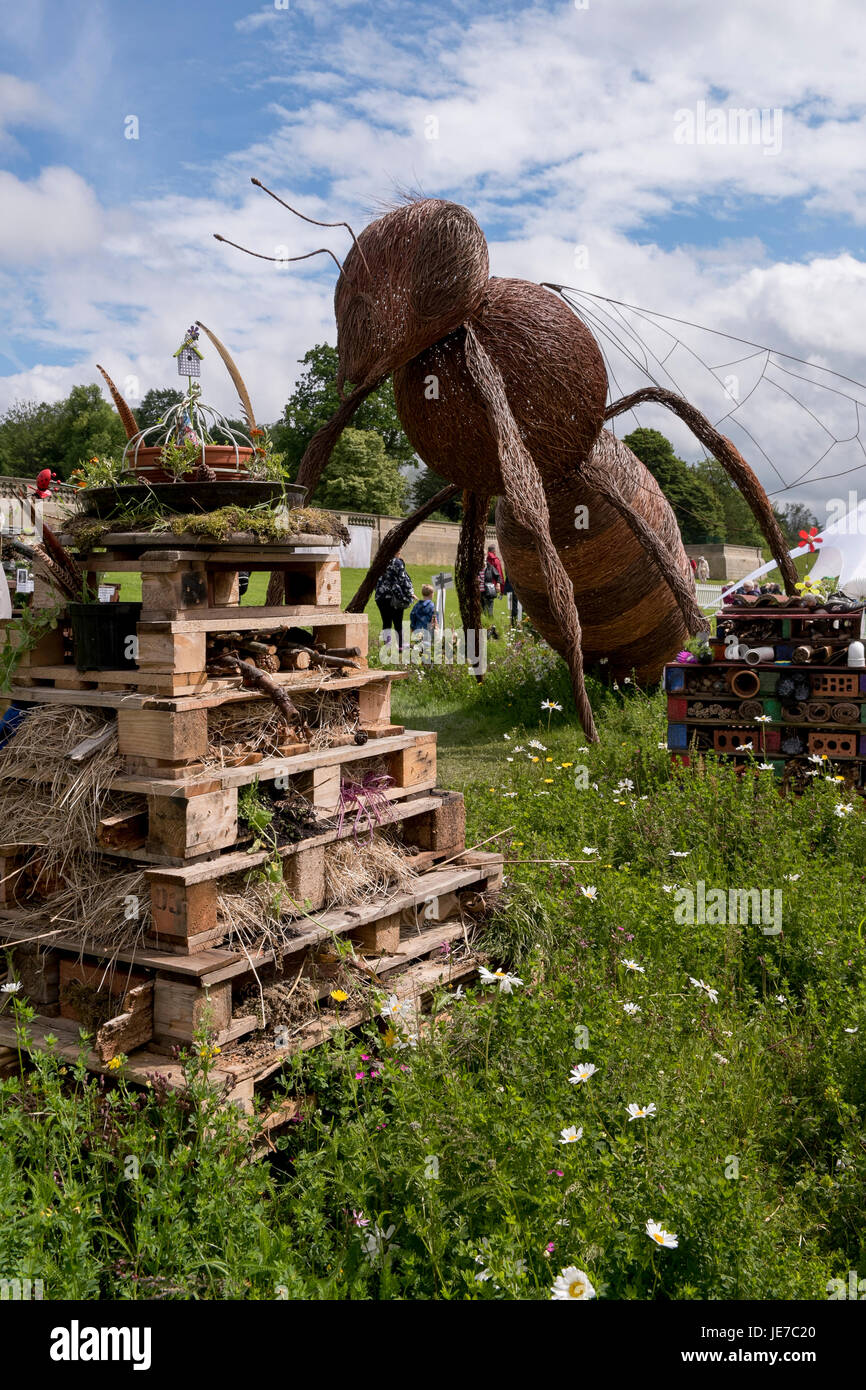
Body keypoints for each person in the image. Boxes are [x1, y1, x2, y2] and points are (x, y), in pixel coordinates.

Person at [375, 551, 415, 652]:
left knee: (386, 622)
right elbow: (402, 580)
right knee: (398, 623)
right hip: (394, 597)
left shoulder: (380, 560)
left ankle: (388, 646)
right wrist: (410, 593)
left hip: (380, 596)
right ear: (397, 551)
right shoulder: (397, 562)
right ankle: (400, 646)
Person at [410, 583, 438, 656]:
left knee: (418, 649)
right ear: (431, 594)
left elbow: (412, 616)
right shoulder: (432, 607)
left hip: (417, 630)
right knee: (427, 650)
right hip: (428, 631)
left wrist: (412, 627)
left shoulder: (417, 605)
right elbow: (435, 619)